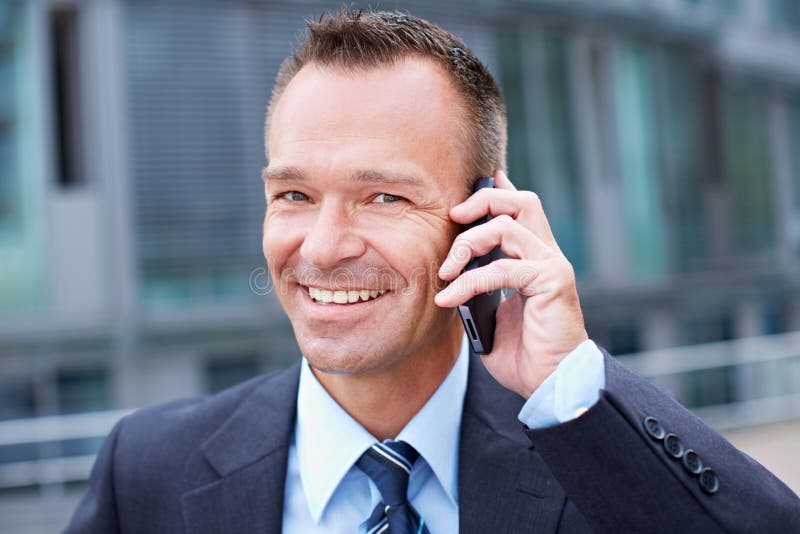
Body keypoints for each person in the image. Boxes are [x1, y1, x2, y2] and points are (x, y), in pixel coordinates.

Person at [66, 9, 800, 534]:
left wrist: (570, 379)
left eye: (383, 196)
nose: (322, 247)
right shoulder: (147, 472)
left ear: (487, 214)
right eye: (293, 194)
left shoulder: (590, 458)